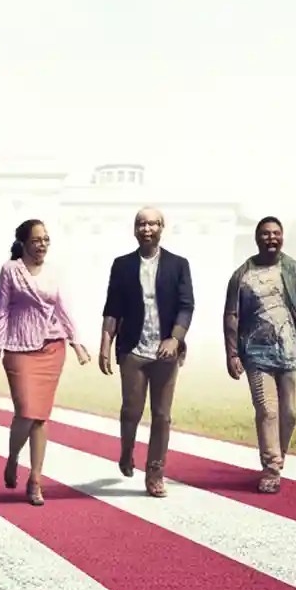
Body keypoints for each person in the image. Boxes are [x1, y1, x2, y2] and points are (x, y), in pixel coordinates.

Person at [98, 207, 195, 497]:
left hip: (165, 352)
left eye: (153, 223)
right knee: (131, 410)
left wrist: (175, 339)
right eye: (141, 223)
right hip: (133, 349)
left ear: (162, 227)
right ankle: (127, 452)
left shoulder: (178, 264)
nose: (147, 228)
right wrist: (105, 344)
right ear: (134, 229)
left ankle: (155, 473)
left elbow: (186, 305)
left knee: (162, 415)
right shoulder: (122, 265)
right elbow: (112, 308)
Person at [0, 218, 90, 506]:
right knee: (26, 411)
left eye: (46, 240)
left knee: (41, 417)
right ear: (23, 243)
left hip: (51, 347)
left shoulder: (55, 272)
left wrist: (76, 343)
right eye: (36, 240)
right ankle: (13, 458)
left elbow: (64, 308)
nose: (42, 245)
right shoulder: (10, 270)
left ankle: (35, 479)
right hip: (18, 346)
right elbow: (0, 309)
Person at [223, 216, 296, 493]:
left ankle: (277, 457)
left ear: (283, 237)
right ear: (257, 239)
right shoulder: (242, 275)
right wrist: (232, 354)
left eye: (276, 233)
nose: (271, 238)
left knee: (289, 414)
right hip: (256, 354)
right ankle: (271, 467)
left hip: (290, 354)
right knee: (267, 410)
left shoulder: (295, 270)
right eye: (265, 234)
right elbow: (231, 316)